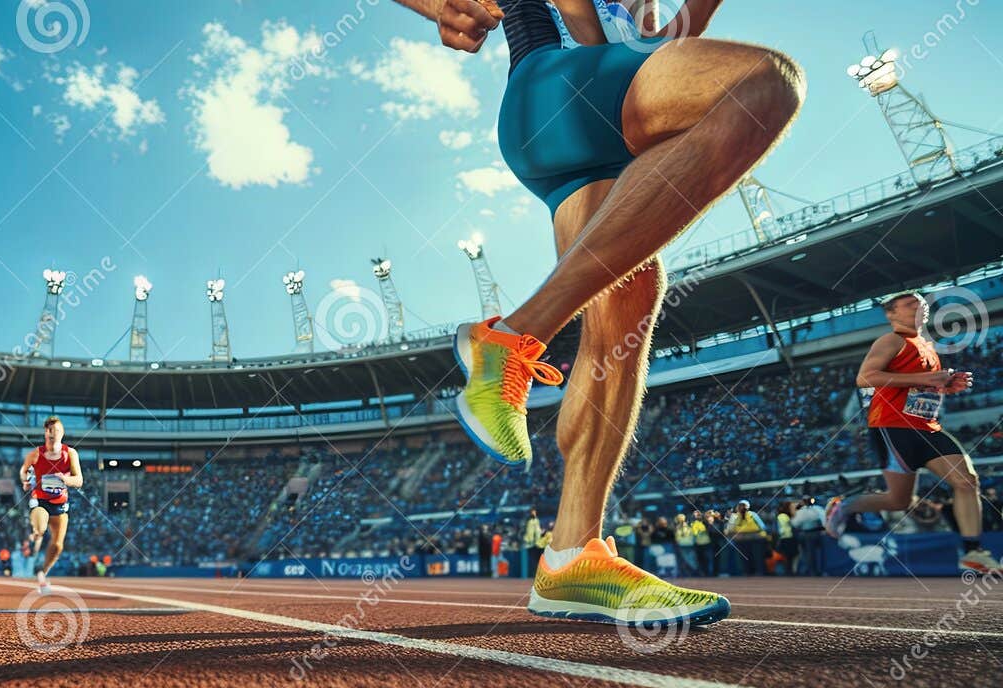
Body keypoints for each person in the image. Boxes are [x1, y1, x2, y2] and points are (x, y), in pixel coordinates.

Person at [395, 0, 801, 627]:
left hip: (583, 127)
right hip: (558, 82)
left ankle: (570, 556)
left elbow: (658, 47)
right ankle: (514, 335)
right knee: (765, 85)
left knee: (627, 303)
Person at [825, 293, 1002, 574]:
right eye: (910, 304)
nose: (919, 307)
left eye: (922, 303)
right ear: (891, 314)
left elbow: (920, 387)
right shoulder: (891, 341)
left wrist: (944, 386)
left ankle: (973, 552)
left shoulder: (927, 347)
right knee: (899, 501)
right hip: (893, 426)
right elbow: (865, 377)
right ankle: (846, 506)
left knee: (967, 481)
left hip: (927, 426)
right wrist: (924, 379)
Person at [19, 416, 83, 593]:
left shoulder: (70, 454)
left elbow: (79, 480)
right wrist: (25, 481)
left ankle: (42, 573)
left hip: (60, 505)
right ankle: (33, 539)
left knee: (57, 546)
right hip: (40, 501)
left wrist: (66, 479)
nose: (52, 433)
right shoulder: (35, 454)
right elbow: (23, 472)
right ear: (45, 433)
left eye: (56, 430)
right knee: (40, 526)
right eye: (49, 430)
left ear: (62, 433)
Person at [791, 495, 826, 576]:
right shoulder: (818, 509)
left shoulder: (803, 511)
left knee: (810, 553)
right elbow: (824, 520)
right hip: (814, 533)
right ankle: (813, 570)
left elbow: (795, 523)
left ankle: (812, 571)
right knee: (814, 553)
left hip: (809, 534)